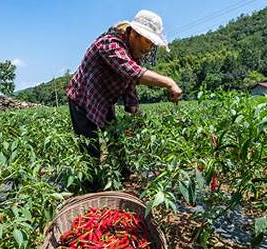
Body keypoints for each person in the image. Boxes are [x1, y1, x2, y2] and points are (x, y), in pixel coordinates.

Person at [67, 9, 182, 191]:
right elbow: (132, 72)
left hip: (103, 100)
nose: (149, 48)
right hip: (82, 98)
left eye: (152, 44)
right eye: (148, 41)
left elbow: (129, 84)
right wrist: (169, 82)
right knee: (91, 150)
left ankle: (123, 178)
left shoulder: (131, 53)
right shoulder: (109, 44)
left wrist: (134, 110)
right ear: (134, 34)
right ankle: (91, 190)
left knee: (116, 142)